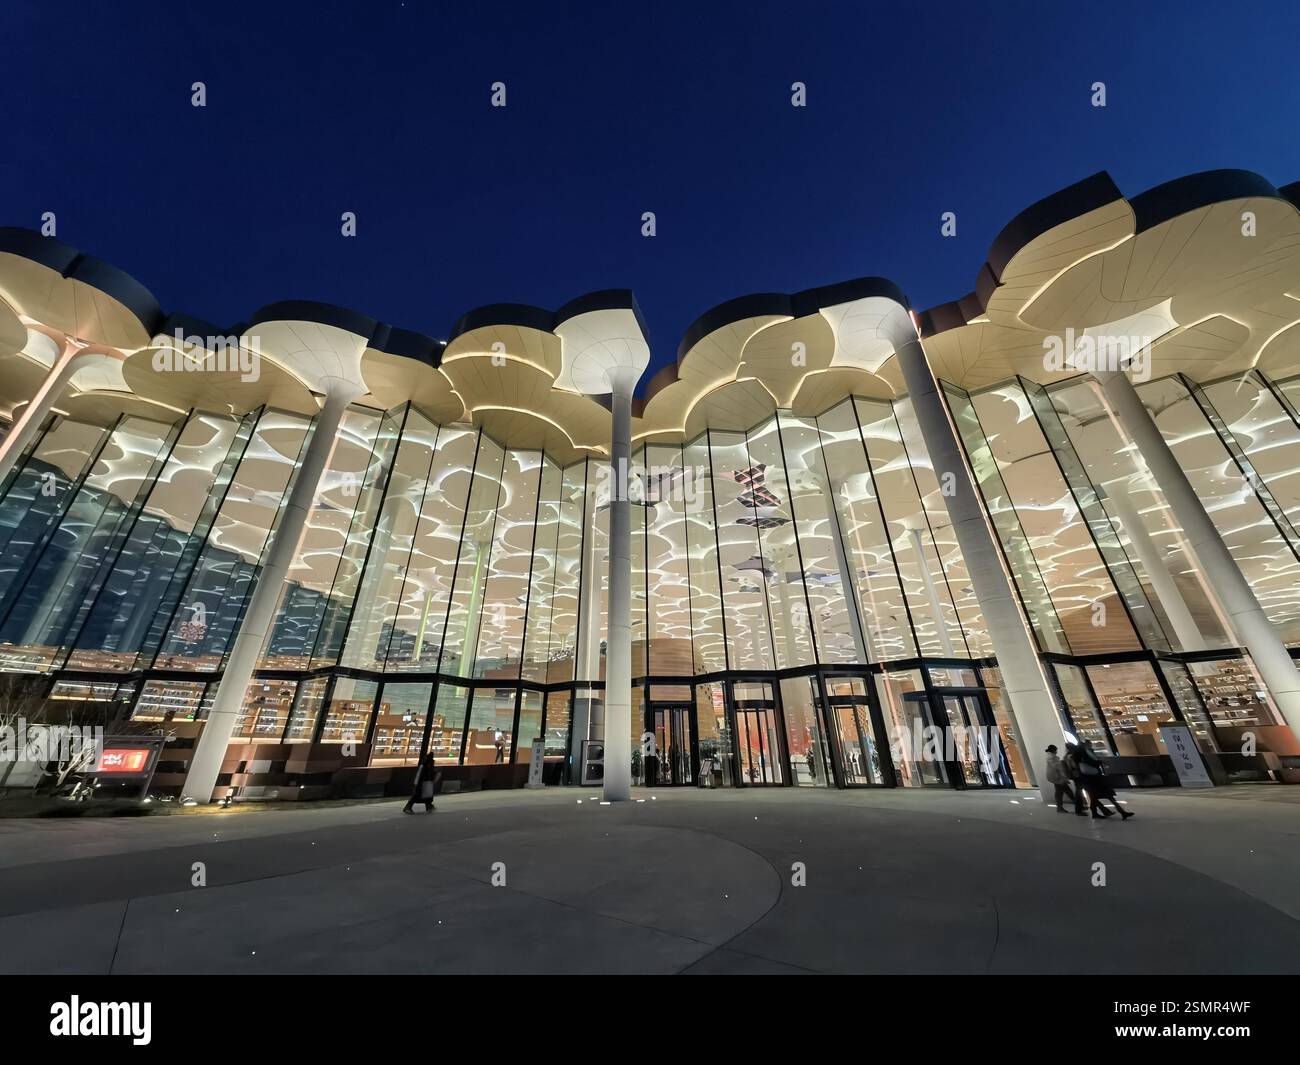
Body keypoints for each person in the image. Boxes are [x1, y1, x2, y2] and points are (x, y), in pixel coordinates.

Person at [1043, 744, 1075, 811]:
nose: (1057, 751)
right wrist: (1065, 777)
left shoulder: (1051, 757)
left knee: (1061, 792)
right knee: (1063, 792)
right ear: (1054, 750)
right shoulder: (1051, 757)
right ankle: (1075, 804)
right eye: (1056, 750)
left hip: (1056, 777)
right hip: (1057, 777)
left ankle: (1061, 807)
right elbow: (1058, 767)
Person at [1062, 742, 1088, 816]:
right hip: (1077, 775)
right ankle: (1079, 809)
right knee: (1079, 792)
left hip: (1073, 775)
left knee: (1078, 791)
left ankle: (1081, 807)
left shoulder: (1066, 756)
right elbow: (1074, 766)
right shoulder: (1071, 756)